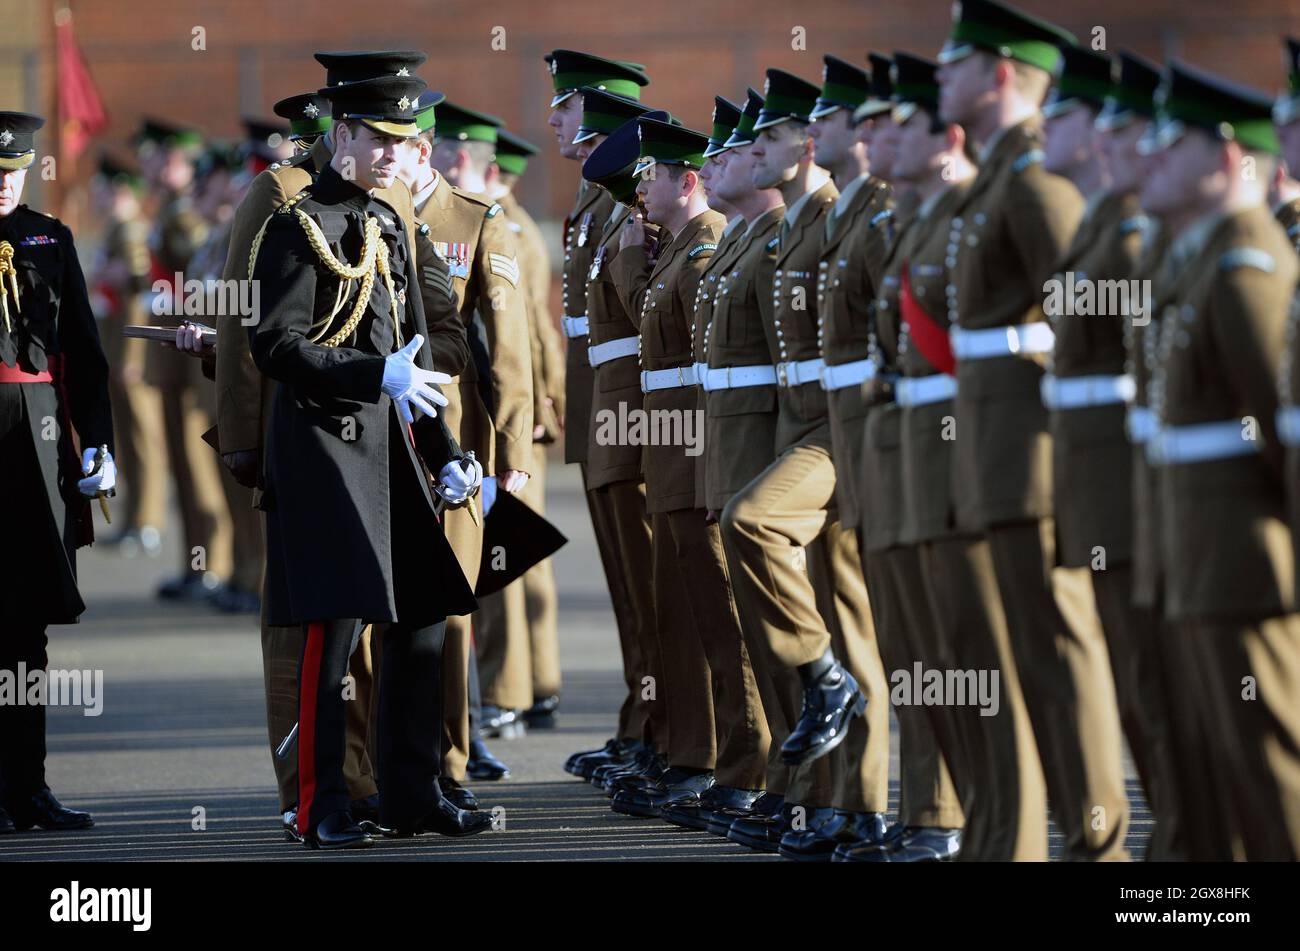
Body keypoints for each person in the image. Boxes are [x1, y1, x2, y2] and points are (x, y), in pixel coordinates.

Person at [247, 74, 491, 848]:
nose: (394, 154)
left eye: (403, 140)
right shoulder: (295, 224)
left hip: (394, 445)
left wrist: (448, 452)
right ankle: (320, 804)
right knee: (333, 633)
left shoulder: (390, 219)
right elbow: (275, 344)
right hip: (325, 449)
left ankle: (412, 794)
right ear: (342, 136)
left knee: (423, 616)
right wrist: (370, 375)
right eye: (379, 138)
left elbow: (412, 350)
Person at [936, 0, 1130, 860]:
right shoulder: (998, 177)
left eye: (956, 60)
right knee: (1033, 666)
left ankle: (1102, 847)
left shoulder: (1034, 179)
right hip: (996, 452)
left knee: (1061, 660)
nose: (940, 73)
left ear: (1001, 74)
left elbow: (1091, 319)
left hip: (1035, 458)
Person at [1142, 60, 1300, 861]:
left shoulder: (1246, 265)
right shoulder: (1205, 258)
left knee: (1275, 780)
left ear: (1230, 160)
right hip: (1202, 561)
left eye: (1175, 145)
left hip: (1246, 567)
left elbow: (1284, 438)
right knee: (1228, 778)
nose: (1152, 159)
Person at [394, 95, 533, 794]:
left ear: (424, 151)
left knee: (451, 603)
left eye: (405, 145)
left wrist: (512, 454)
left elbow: (508, 353)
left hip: (455, 447)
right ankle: (383, 768)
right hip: (381, 439)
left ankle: (451, 761)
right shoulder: (370, 217)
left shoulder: (478, 222)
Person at [0, 111, 114, 833]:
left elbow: (83, 349)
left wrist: (97, 442)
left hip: (35, 442)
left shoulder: (50, 237)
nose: (3, 182)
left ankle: (27, 786)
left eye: (13, 170)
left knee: (24, 624)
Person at [478, 127, 565, 735]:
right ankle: (536, 687)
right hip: (521, 407)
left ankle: (508, 692)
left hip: (512, 411)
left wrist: (540, 404)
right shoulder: (515, 225)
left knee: (506, 554)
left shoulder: (503, 227)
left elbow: (530, 329)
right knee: (523, 555)